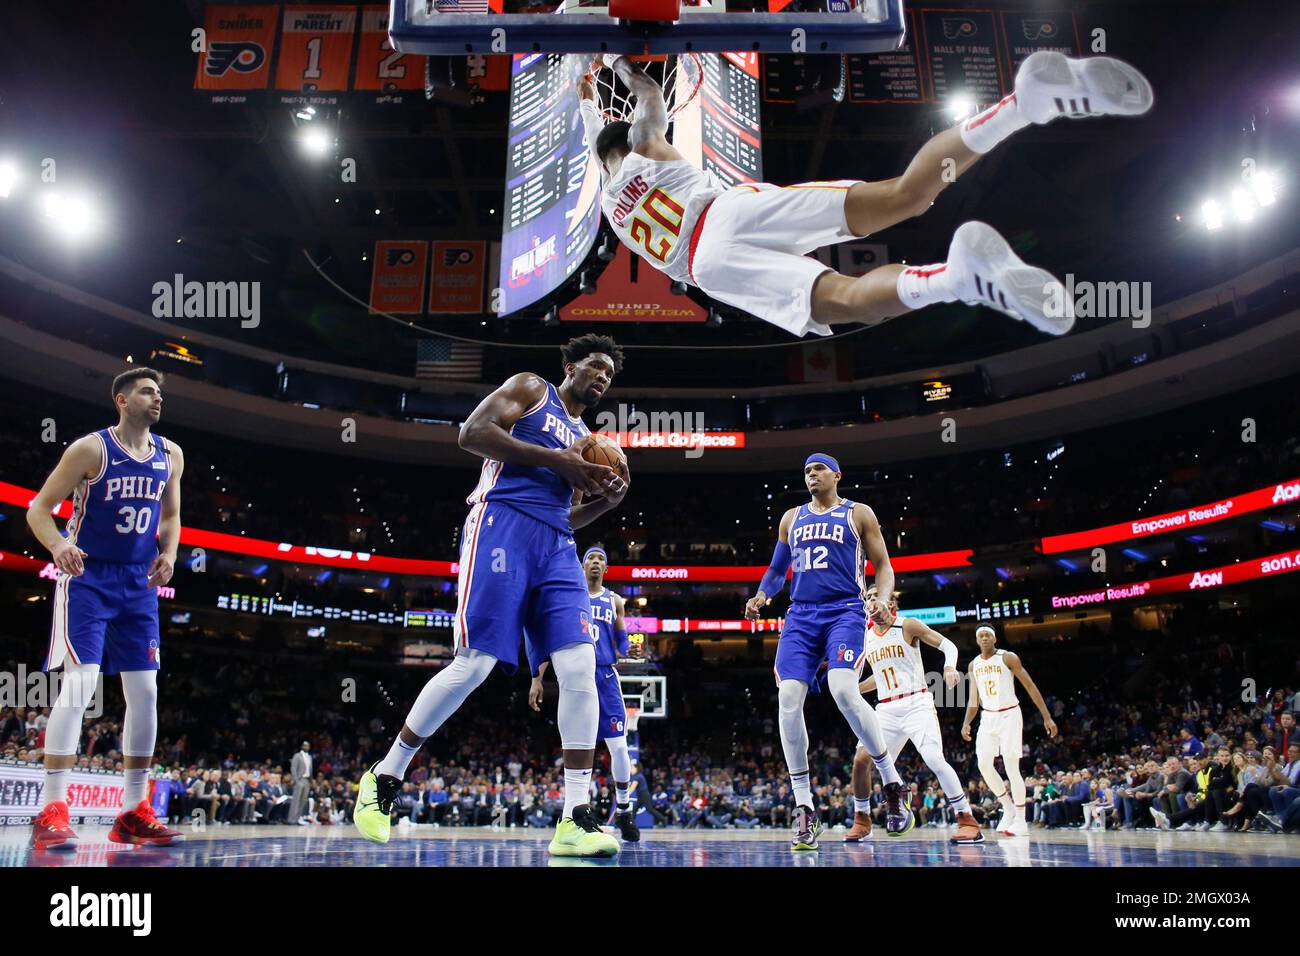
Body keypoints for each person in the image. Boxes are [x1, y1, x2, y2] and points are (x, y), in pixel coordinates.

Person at [580, 51, 1152, 340]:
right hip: (727, 209)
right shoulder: (643, 146)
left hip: (707, 265)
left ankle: (955, 279)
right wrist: (614, 63)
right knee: (905, 195)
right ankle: (1022, 106)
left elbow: (595, 140)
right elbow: (650, 94)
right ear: (622, 135)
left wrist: (585, 100)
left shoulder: (610, 201)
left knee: (849, 302)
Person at [353, 336, 628, 859]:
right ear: (570, 366)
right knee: (475, 663)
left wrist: (606, 504)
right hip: (501, 525)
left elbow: (566, 515)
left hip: (557, 545)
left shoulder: (586, 439)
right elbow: (471, 433)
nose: (602, 379)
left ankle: (575, 816)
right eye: (595, 368)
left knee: (579, 666)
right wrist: (558, 461)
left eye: (610, 376)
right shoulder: (532, 389)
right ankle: (385, 775)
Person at [26, 368, 185, 849]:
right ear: (122, 399)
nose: (157, 397)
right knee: (80, 684)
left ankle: (133, 811)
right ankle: (52, 809)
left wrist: (171, 553)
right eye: (147, 391)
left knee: (147, 693)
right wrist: (56, 546)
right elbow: (37, 509)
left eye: (159, 392)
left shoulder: (171, 454)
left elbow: (172, 515)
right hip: (89, 578)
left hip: (138, 584)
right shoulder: (90, 449)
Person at [743, 453, 911, 851]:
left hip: (845, 611)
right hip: (800, 616)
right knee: (787, 698)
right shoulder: (791, 518)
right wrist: (762, 595)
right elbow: (776, 569)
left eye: (818, 469)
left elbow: (883, 566)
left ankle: (891, 780)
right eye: (805, 470)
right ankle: (804, 807)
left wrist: (883, 599)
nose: (811, 475)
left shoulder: (859, 513)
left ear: (837, 474)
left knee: (843, 689)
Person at [850, 592, 982, 845]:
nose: (871, 601)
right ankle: (862, 819)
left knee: (933, 758)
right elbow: (879, 678)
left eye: (877, 596)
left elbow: (947, 645)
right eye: (869, 598)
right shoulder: (866, 639)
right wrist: (850, 688)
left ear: (890, 603)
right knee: (861, 760)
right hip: (886, 708)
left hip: (916, 703)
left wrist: (949, 667)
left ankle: (967, 819)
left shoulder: (906, 624)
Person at [528, 546, 639, 842]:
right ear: (581, 565)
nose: (595, 562)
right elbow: (550, 635)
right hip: (577, 675)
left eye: (601, 559)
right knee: (581, 746)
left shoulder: (614, 600)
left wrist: (631, 650)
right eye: (590, 557)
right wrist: (537, 677)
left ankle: (625, 808)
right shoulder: (568, 598)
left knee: (618, 746)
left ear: (606, 569)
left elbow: (621, 639)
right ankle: (578, 812)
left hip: (604, 675)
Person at [961, 625, 1058, 837]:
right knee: (984, 765)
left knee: (1011, 767)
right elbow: (973, 699)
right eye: (981, 636)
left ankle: (1021, 821)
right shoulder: (973, 664)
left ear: (995, 638)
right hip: (987, 717)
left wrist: (1047, 716)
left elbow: (1030, 686)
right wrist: (967, 722)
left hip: (1009, 715)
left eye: (988, 635)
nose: (985, 638)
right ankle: (1008, 807)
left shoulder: (1008, 657)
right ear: (977, 640)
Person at [290, 740, 313, 825]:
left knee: (303, 801)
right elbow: (293, 768)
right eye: (305, 746)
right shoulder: (297, 756)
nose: (306, 747)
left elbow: (310, 770)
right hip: (300, 779)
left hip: (307, 780)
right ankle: (291, 819)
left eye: (308, 746)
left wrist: (311, 780)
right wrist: (296, 780)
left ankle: (297, 818)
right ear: (302, 746)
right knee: (296, 800)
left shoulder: (309, 757)